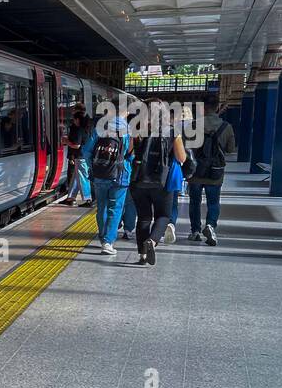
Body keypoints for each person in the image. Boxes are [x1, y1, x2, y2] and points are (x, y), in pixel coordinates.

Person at [130, 104, 190, 266]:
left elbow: (129, 152)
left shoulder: (136, 129)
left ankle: (142, 255)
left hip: (138, 180)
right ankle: (152, 241)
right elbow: (181, 158)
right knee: (163, 215)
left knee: (143, 217)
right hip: (162, 181)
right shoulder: (172, 131)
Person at [187, 96, 236, 245]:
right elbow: (230, 149)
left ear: (203, 108)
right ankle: (210, 225)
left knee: (195, 202)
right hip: (215, 171)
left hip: (196, 171)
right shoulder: (226, 127)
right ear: (216, 107)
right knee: (213, 202)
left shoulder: (194, 125)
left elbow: (185, 146)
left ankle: (195, 231)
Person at [83, 107, 132, 255]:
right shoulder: (127, 130)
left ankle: (103, 238)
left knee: (102, 207)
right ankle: (108, 242)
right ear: (125, 113)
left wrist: (94, 167)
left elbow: (86, 151)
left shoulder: (100, 128)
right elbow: (129, 154)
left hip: (100, 175)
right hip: (120, 176)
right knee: (115, 209)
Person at [63, 106, 93, 206]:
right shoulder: (87, 129)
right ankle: (70, 198)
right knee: (76, 177)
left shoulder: (79, 130)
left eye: (74, 119)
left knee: (83, 178)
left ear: (77, 119)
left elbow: (76, 145)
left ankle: (88, 199)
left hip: (80, 157)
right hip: (84, 156)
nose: (73, 121)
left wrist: (66, 141)